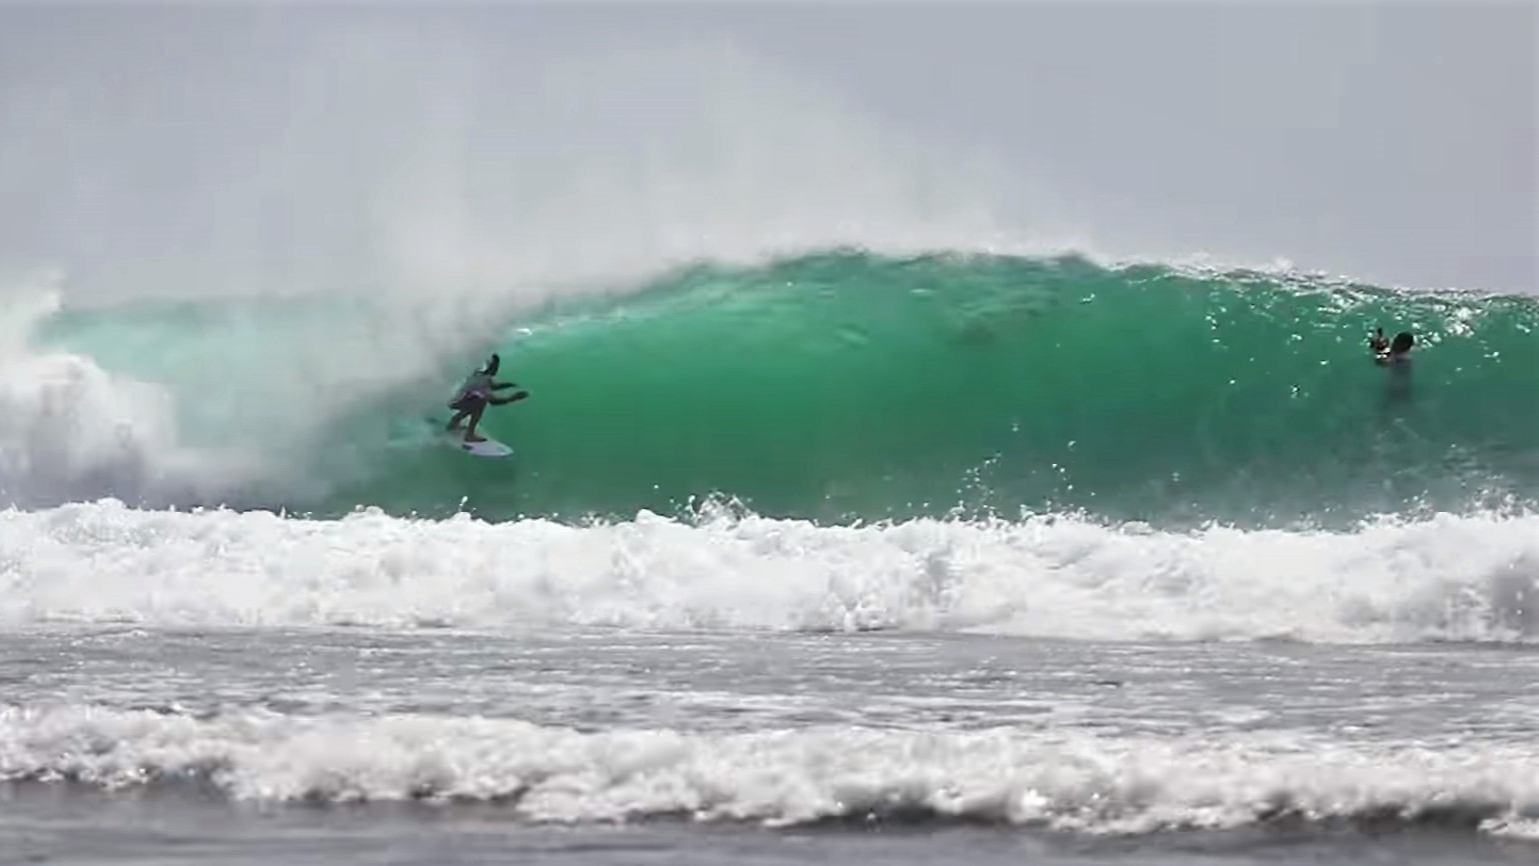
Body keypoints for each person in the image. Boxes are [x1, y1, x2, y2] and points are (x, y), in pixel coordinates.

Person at [446, 353, 527, 443]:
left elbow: (492, 387)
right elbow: (494, 402)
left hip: (456, 400)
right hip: (459, 402)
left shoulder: (479, 374)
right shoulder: (483, 381)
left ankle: (453, 423)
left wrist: (508, 385)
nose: (496, 368)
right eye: (495, 366)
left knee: (475, 401)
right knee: (480, 402)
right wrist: (514, 398)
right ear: (490, 368)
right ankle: (469, 435)